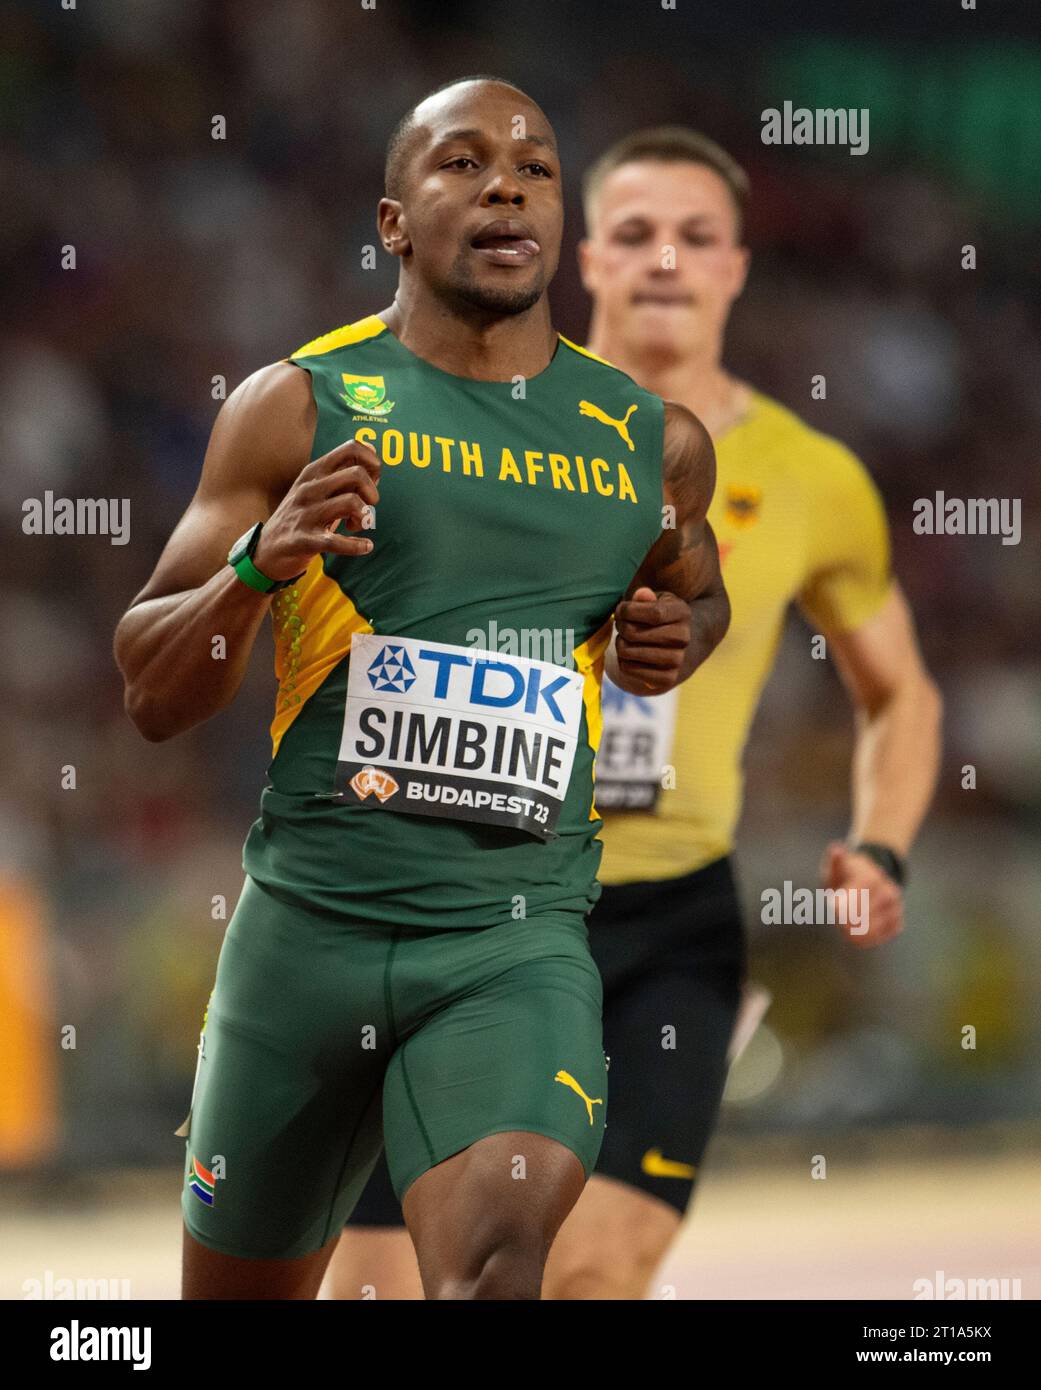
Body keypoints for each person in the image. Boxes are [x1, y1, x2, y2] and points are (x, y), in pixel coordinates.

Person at [113, 86, 729, 1301]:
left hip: (513, 947)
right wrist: (256, 566)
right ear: (395, 223)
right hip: (304, 941)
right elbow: (150, 689)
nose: (508, 186)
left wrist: (677, 635)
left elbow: (698, 595)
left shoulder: (644, 441)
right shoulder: (297, 405)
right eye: (466, 163)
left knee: (497, 1266)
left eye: (537, 169)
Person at [327, 125, 942, 1302]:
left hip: (664, 924)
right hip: (459, 898)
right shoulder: (462, 413)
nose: (667, 257)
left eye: (697, 236)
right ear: (585, 255)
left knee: (596, 1266)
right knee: (377, 1285)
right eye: (637, 233)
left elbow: (899, 689)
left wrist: (881, 839)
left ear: (738, 267)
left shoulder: (815, 477)